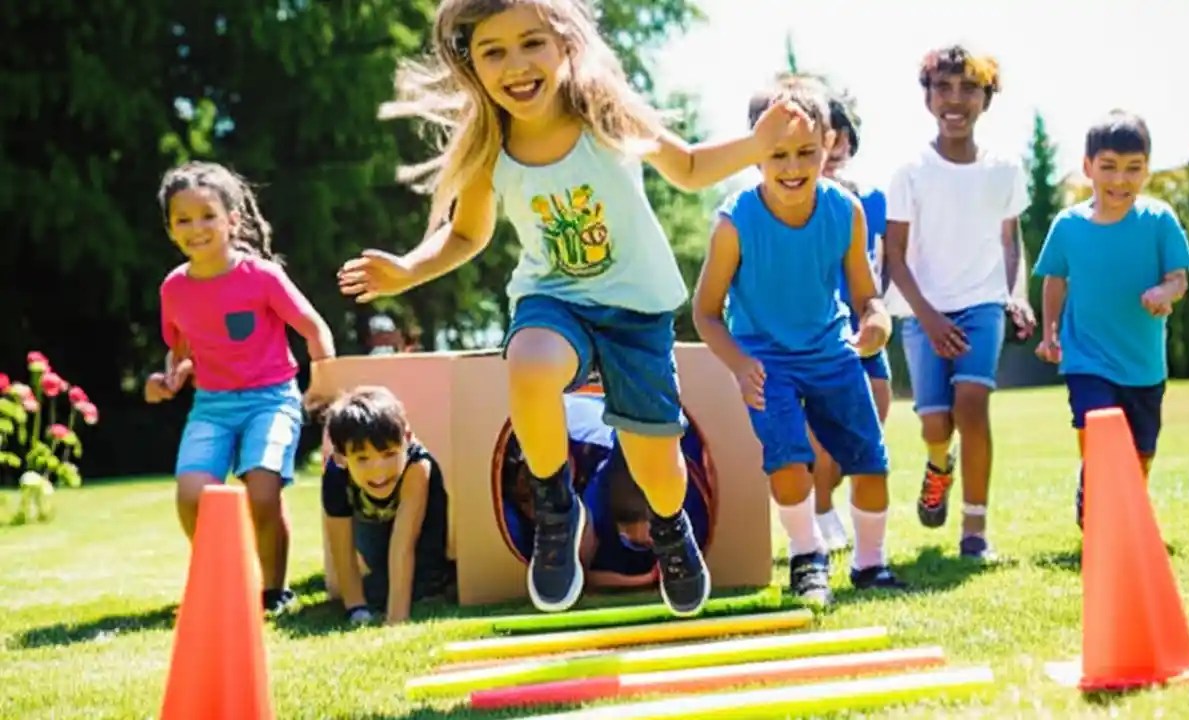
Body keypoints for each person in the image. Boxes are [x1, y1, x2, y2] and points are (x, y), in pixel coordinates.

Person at [336, 0, 809, 616]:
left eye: (531, 43)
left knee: (656, 467)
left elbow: (689, 168)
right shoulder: (490, 145)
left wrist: (757, 143)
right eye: (493, 52)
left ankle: (670, 529)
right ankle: (556, 508)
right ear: (472, 64)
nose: (516, 66)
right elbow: (465, 235)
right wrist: (409, 269)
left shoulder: (604, 113)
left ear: (564, 42)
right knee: (529, 362)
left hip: (636, 314)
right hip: (553, 298)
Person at [693, 76, 906, 608]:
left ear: (829, 144)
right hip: (766, 361)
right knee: (788, 461)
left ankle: (871, 564)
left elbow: (865, 294)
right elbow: (705, 312)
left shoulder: (846, 211)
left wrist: (876, 321)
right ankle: (807, 557)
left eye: (806, 152)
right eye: (778, 154)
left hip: (833, 353)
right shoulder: (735, 222)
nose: (792, 167)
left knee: (871, 462)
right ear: (755, 153)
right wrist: (741, 365)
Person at [143, 161, 336, 616]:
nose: (196, 228)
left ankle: (273, 590)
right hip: (211, 406)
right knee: (192, 495)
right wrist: (168, 378)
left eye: (207, 215)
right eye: (183, 220)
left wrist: (323, 381)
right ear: (170, 230)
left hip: (271, 399)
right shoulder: (174, 289)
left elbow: (314, 328)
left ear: (233, 220)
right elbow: (182, 350)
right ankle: (222, 581)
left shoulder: (261, 276)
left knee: (263, 491)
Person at [883, 45, 1037, 561]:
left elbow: (1011, 240)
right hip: (922, 311)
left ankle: (975, 532)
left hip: (981, 306)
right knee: (934, 423)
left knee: (972, 406)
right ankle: (937, 465)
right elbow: (895, 258)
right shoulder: (909, 170)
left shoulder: (1005, 169)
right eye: (943, 88)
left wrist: (1016, 296)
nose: (955, 100)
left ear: (987, 100)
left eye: (969, 88)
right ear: (927, 97)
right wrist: (927, 318)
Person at [1032, 111, 1189, 529]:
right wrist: (1050, 332)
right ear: (1088, 168)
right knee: (1097, 424)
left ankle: (1124, 508)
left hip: (1143, 363)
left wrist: (1165, 292)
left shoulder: (1159, 220)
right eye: (1108, 167)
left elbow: (1179, 279)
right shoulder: (1068, 226)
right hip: (1086, 356)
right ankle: (1098, 491)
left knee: (1141, 450)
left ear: (1147, 170)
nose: (1120, 180)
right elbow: (1055, 280)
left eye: (1132, 169)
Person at [500, 390, 712, 589]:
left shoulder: (590, 434)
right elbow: (579, 572)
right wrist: (645, 579)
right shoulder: (587, 499)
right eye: (527, 497)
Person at [810, 93, 893, 552]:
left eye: (844, 137)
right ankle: (820, 508)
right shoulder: (796, 203)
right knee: (824, 432)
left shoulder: (872, 200)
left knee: (871, 424)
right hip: (819, 332)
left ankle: (827, 499)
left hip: (863, 326)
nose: (837, 147)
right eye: (828, 137)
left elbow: (882, 261)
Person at [320, 386, 455, 625]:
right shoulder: (335, 476)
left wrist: (395, 619)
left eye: (389, 454)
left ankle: (439, 578)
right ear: (341, 457)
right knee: (376, 590)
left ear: (407, 440)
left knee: (423, 584)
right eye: (362, 459)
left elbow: (403, 544)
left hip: (419, 528)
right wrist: (356, 608)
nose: (378, 470)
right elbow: (341, 547)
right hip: (373, 525)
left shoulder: (417, 466)